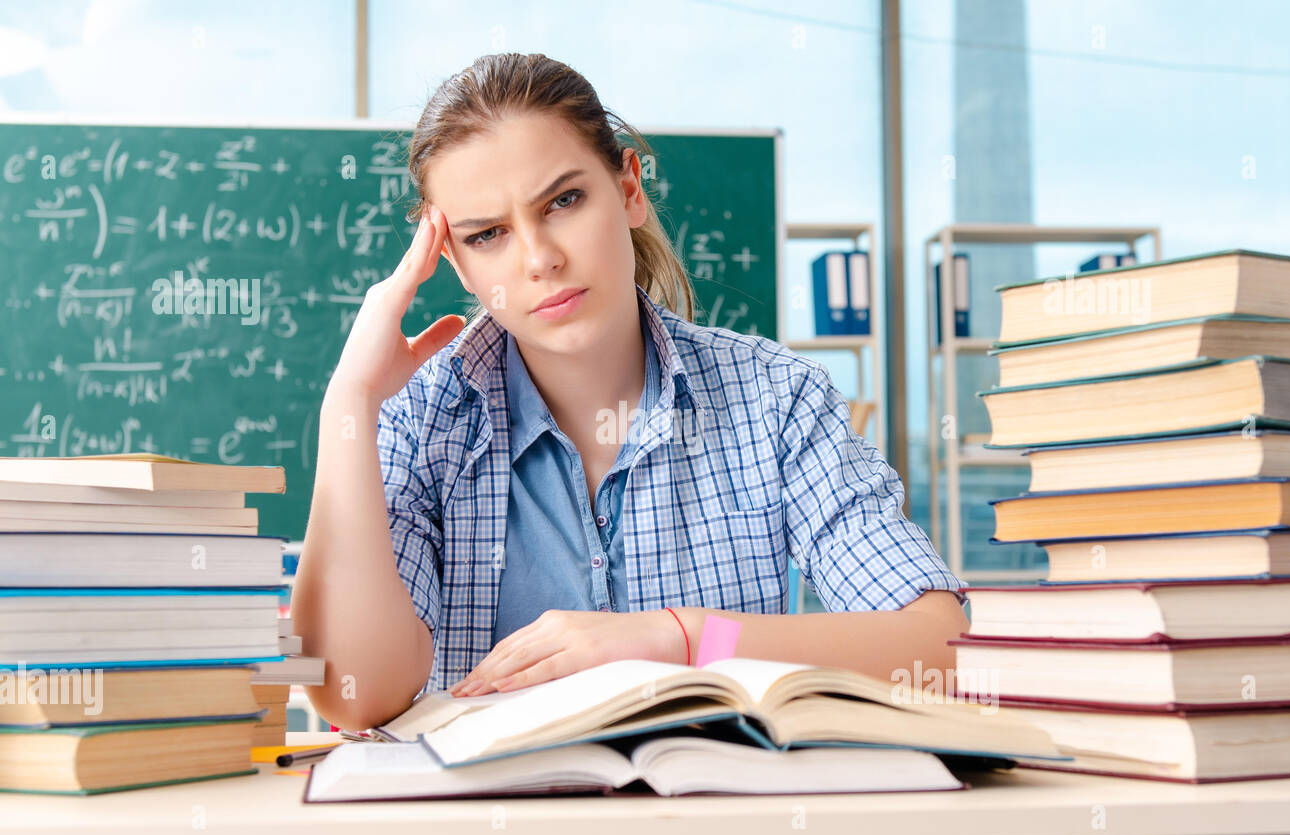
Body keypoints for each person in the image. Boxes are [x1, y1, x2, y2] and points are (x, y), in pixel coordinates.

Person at [294, 52, 968, 732]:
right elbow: (356, 695)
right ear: (455, 262)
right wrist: (348, 403)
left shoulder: (776, 398)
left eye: (564, 201)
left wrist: (684, 639)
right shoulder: (420, 421)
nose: (539, 259)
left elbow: (940, 652)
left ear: (628, 190)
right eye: (488, 234)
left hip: (714, 823)